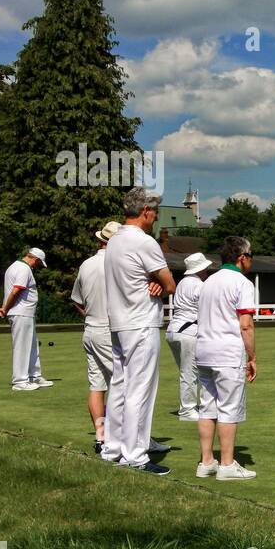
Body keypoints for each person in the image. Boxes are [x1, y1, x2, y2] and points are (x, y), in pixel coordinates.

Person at [102, 189, 176, 473]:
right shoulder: (144, 242)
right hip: (141, 320)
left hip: (119, 321)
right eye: (155, 212)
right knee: (140, 389)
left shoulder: (115, 240)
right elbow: (169, 284)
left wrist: (152, 279)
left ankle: (113, 447)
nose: (156, 217)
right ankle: (135, 454)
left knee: (120, 386)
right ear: (145, 210)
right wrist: (156, 280)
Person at [193, 237, 257, 481]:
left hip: (204, 351)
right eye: (251, 255)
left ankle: (207, 461)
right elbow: (246, 325)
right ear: (241, 257)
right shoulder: (241, 283)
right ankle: (227, 465)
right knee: (229, 409)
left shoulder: (208, 281)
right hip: (227, 352)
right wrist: (252, 356)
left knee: (207, 407)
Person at [71, 222, 120, 452]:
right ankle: (129, 439)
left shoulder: (86, 264)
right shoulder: (117, 264)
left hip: (90, 329)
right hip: (108, 331)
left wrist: (91, 316)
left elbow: (77, 301)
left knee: (97, 385)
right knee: (124, 385)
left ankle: (101, 438)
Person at [0, 248, 53, 389]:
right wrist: (5, 308)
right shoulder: (24, 269)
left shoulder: (14, 266)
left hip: (25, 312)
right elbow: (16, 290)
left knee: (32, 346)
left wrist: (4, 307)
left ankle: (34, 376)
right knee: (22, 347)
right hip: (21, 312)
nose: (37, 267)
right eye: (38, 264)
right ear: (36, 259)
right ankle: (20, 381)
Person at [166, 252, 213, 421]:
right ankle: (187, 410)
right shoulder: (199, 285)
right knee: (189, 372)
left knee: (188, 371)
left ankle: (193, 405)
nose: (207, 270)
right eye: (205, 268)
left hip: (174, 331)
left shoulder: (183, 283)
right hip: (188, 332)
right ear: (200, 269)